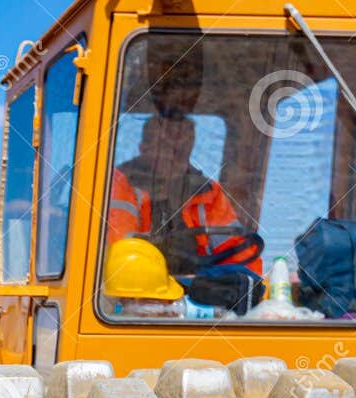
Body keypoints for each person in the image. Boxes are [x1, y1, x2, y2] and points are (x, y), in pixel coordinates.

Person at [106, 113, 262, 277]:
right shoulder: (116, 186)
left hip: (194, 294)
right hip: (130, 291)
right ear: (144, 148)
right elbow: (119, 252)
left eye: (182, 149)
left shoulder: (208, 193)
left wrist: (243, 284)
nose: (175, 156)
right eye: (166, 147)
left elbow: (239, 254)